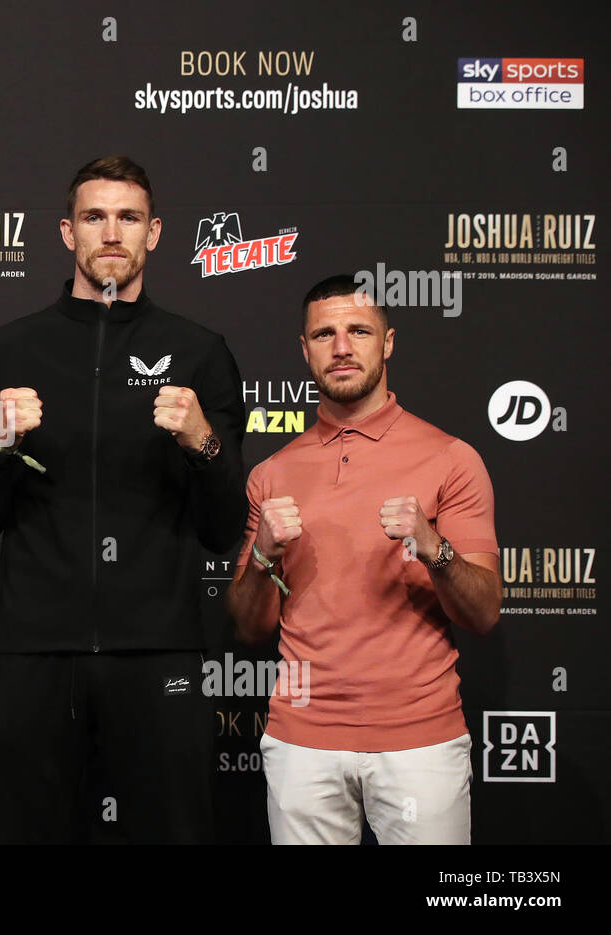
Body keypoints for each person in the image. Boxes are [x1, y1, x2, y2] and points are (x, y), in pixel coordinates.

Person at [0, 155, 248, 843]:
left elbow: (224, 529)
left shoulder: (200, 352)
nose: (111, 232)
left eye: (128, 217)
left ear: (155, 233)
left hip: (158, 652)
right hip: (30, 654)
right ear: (66, 232)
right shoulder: (7, 348)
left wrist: (203, 442)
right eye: (94, 216)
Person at [226, 274, 501, 845]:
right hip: (302, 742)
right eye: (324, 334)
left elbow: (483, 613)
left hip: (419, 740)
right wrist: (261, 559)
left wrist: (435, 548)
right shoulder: (272, 473)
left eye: (359, 330)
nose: (342, 347)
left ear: (388, 341)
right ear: (305, 351)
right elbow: (250, 627)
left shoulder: (451, 458)